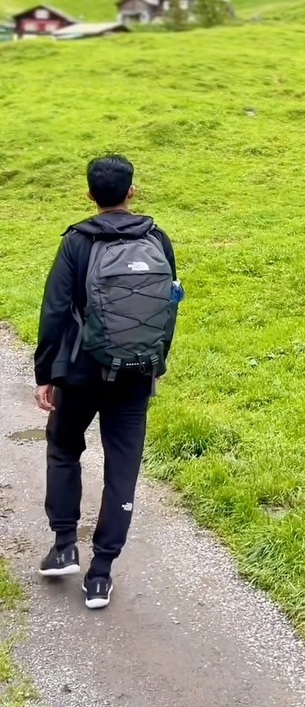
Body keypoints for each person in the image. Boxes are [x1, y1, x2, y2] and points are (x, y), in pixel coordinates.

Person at [34, 154, 179, 610]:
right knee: (122, 472)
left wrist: (45, 374)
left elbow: (55, 310)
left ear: (89, 194)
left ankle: (63, 547)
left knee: (63, 450)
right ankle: (100, 576)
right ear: (132, 191)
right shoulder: (157, 238)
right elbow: (167, 306)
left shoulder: (76, 242)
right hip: (135, 376)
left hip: (78, 374)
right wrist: (156, 361)